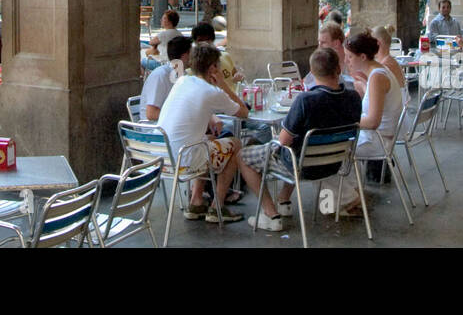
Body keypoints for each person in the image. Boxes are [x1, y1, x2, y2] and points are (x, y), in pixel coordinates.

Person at [240, 47, 362, 232]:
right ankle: (283, 200)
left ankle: (270, 214)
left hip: (302, 167)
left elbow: (282, 141)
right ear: (338, 69)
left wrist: (274, 139)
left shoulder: (305, 100)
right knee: (298, 145)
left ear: (312, 73)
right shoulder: (353, 98)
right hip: (336, 163)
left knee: (243, 156)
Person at [155, 43, 249, 224]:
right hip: (184, 161)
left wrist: (212, 118)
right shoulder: (212, 91)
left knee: (208, 140)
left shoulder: (182, 81)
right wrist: (223, 85)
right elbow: (244, 112)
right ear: (213, 67)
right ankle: (217, 207)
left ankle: (196, 201)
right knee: (236, 144)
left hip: (162, 158)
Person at [344, 31, 403, 211]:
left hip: (378, 140)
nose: (347, 61)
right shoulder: (377, 73)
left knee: (335, 151)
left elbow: (372, 122)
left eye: (349, 57)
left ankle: (350, 198)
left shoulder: (377, 77)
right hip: (382, 137)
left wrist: (346, 120)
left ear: (362, 56)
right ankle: (351, 193)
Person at [142, 35, 190, 120]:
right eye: (194, 53)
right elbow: (151, 114)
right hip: (154, 128)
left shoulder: (184, 75)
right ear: (184, 55)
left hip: (171, 124)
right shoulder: (160, 75)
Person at [303, 20, 347, 87]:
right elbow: (306, 83)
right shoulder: (322, 60)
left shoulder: (351, 62)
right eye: (319, 42)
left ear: (336, 43)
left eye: (323, 43)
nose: (319, 46)